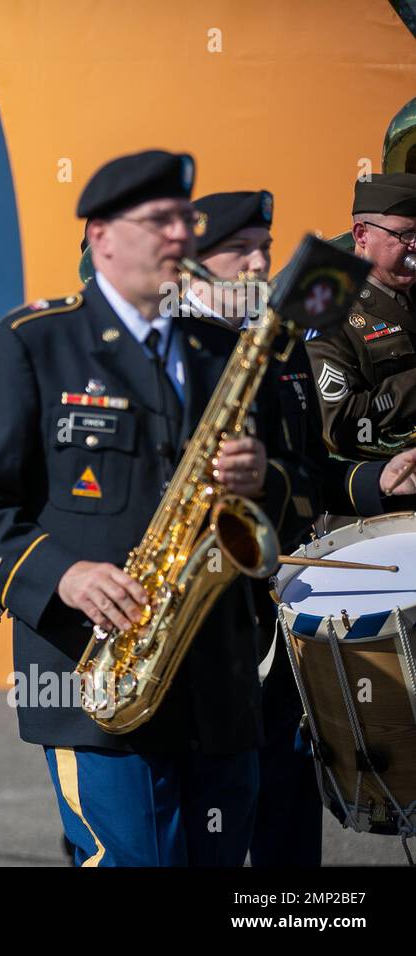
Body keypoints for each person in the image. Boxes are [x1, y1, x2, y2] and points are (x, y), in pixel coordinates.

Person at [0, 150, 321, 867]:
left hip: (219, 683)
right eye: (159, 221)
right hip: (97, 680)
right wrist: (64, 575)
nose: (179, 236)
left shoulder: (226, 353)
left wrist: (263, 479)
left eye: (185, 220)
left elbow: (298, 496)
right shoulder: (32, 344)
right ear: (102, 236)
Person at [187, 189, 416, 865]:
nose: (261, 265)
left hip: (277, 598)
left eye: (265, 248)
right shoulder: (161, 352)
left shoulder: (278, 348)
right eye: (241, 251)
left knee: (285, 797)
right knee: (205, 815)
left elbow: (312, 468)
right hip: (195, 608)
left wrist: (377, 481)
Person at [307, 173, 416, 459]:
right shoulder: (329, 313)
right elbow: (341, 422)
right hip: (390, 474)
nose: (415, 246)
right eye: (406, 235)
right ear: (361, 235)